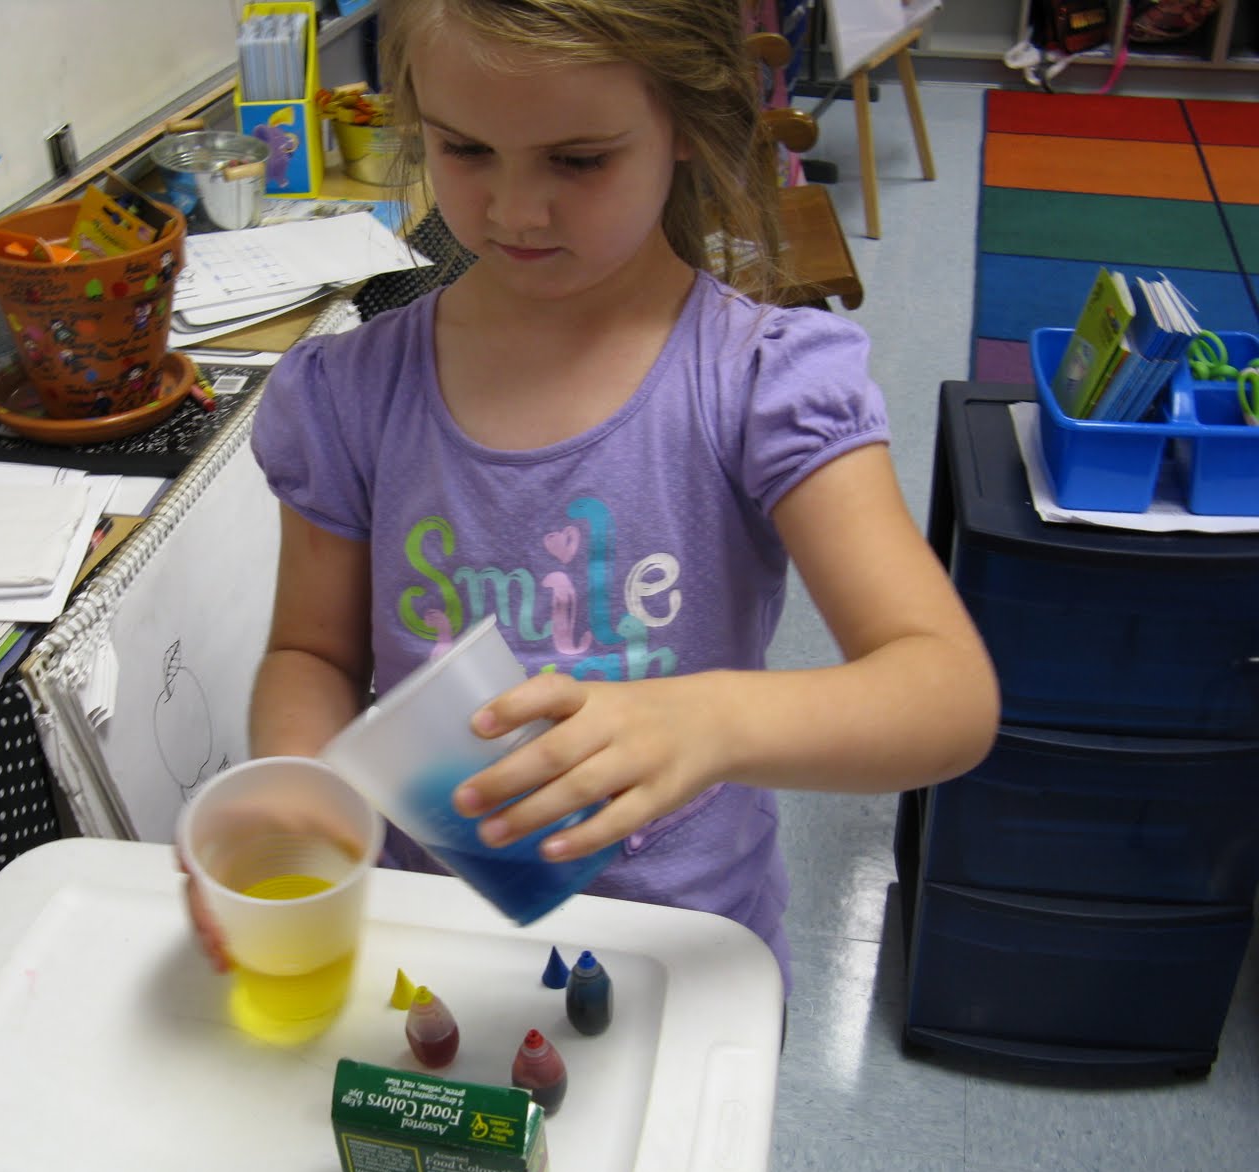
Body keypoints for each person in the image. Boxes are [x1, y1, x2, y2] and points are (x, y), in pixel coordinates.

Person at [185, 0, 998, 994]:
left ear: (685, 128)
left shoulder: (756, 381)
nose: (514, 211)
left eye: (578, 161)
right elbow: (313, 650)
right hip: (433, 940)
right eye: (466, 149)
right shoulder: (353, 394)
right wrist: (300, 797)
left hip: (676, 961)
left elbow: (945, 695)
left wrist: (710, 724)